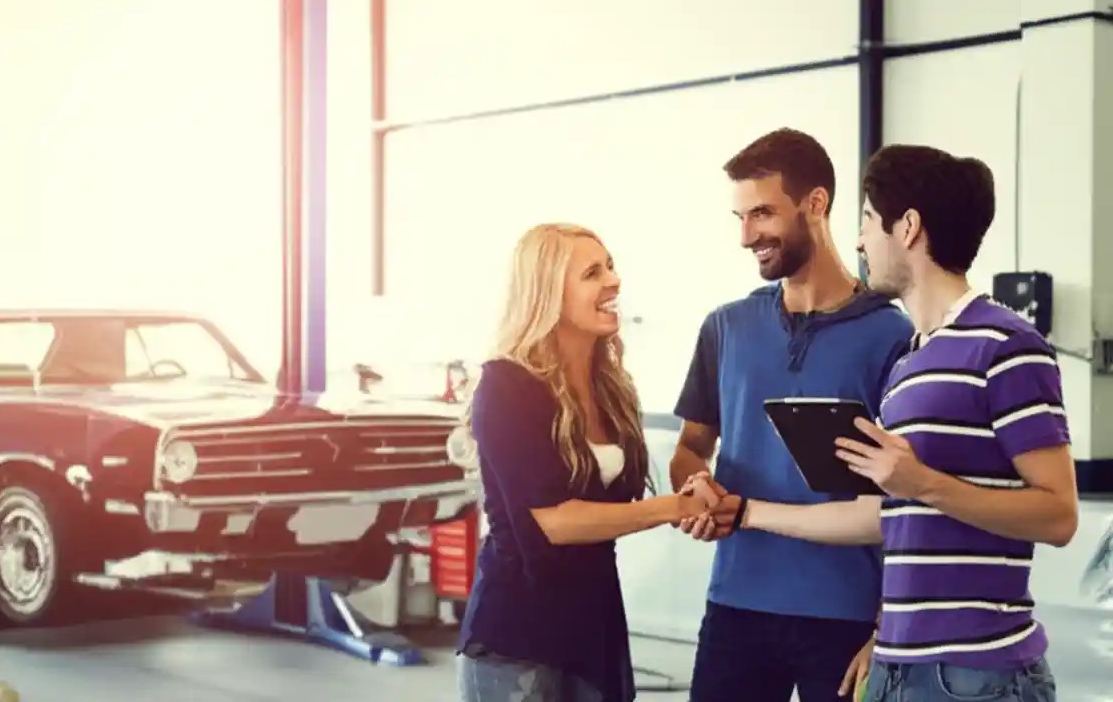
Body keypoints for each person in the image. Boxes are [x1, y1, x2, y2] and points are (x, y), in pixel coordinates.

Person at [721, 144, 1078, 701]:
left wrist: (924, 483)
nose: (860, 240)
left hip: (977, 672)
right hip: (897, 669)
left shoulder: (1007, 346)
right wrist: (747, 512)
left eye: (866, 220)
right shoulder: (912, 360)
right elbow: (886, 517)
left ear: (908, 227)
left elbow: (1058, 516)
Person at [669, 128, 916, 702]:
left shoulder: (893, 336)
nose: (746, 235)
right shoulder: (725, 327)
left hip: (846, 616)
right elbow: (689, 449)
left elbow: (910, 506)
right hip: (735, 607)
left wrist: (887, 626)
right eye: (739, 217)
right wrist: (696, 486)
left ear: (816, 203)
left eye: (761, 213)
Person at [452, 222, 719, 702]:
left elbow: (615, 506)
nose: (613, 281)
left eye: (611, 266)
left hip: (592, 622)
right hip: (519, 631)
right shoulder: (507, 385)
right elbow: (554, 521)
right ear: (548, 292)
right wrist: (674, 508)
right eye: (593, 273)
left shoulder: (611, 388)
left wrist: (698, 489)